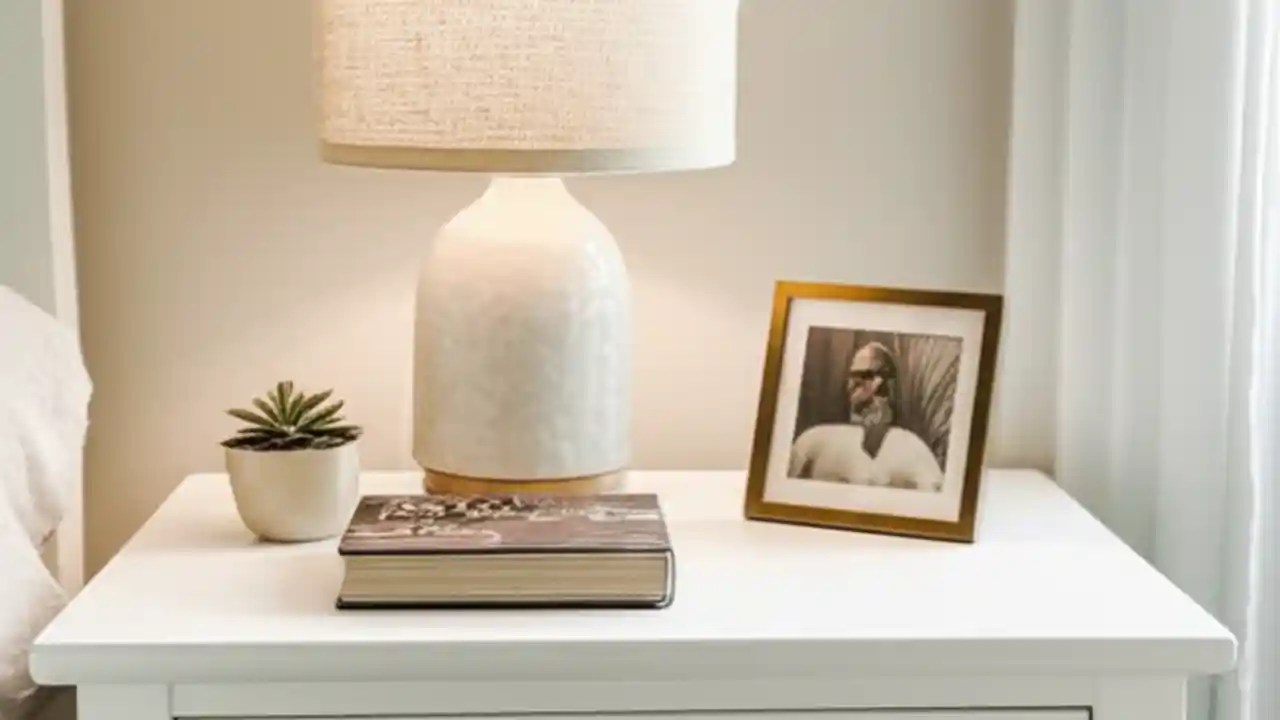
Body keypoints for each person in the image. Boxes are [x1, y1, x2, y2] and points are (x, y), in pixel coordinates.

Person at [790, 341, 944, 492]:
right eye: (851, 376)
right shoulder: (814, 441)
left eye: (861, 376)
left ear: (881, 382)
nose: (851, 384)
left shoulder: (912, 450)